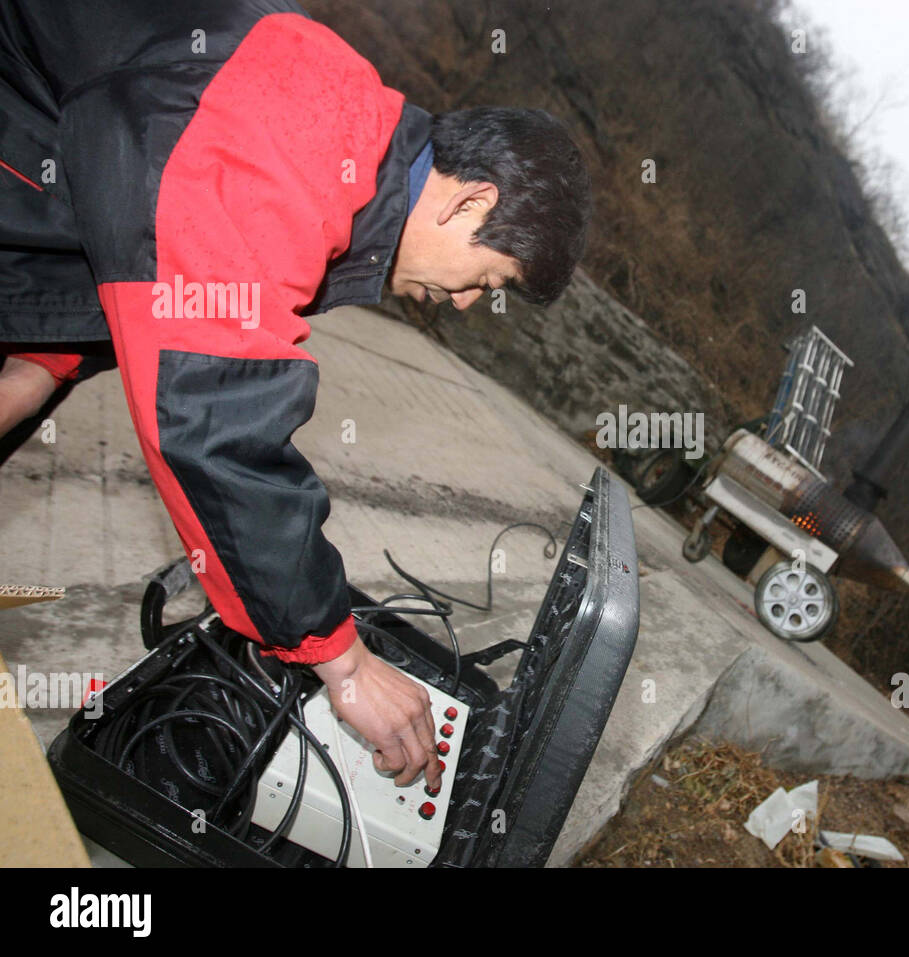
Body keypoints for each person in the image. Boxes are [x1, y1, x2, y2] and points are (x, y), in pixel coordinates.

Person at [0, 1, 592, 794]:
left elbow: (128, 210)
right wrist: (343, 664)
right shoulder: (293, 145)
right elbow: (214, 424)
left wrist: (45, 361)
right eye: (487, 281)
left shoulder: (337, 120)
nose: (462, 303)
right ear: (470, 201)